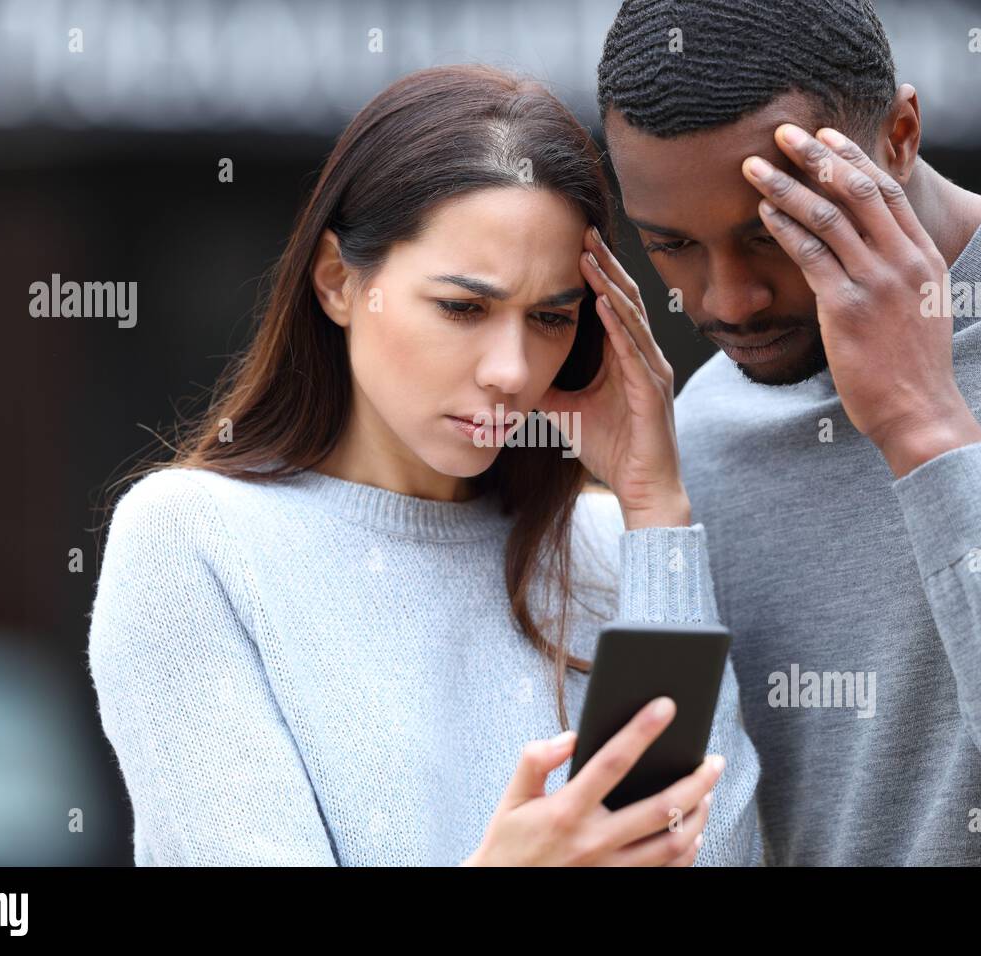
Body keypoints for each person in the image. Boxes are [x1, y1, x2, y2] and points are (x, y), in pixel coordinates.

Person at [86, 63, 762, 866]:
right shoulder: (196, 538)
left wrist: (655, 513)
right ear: (340, 282)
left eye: (549, 317)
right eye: (464, 308)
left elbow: (710, 854)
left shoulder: (620, 547)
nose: (511, 369)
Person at [595, 0, 981, 864]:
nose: (726, 302)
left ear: (899, 134)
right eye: (669, 245)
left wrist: (920, 420)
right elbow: (641, 838)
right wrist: (654, 524)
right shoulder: (697, 432)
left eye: (772, 231)